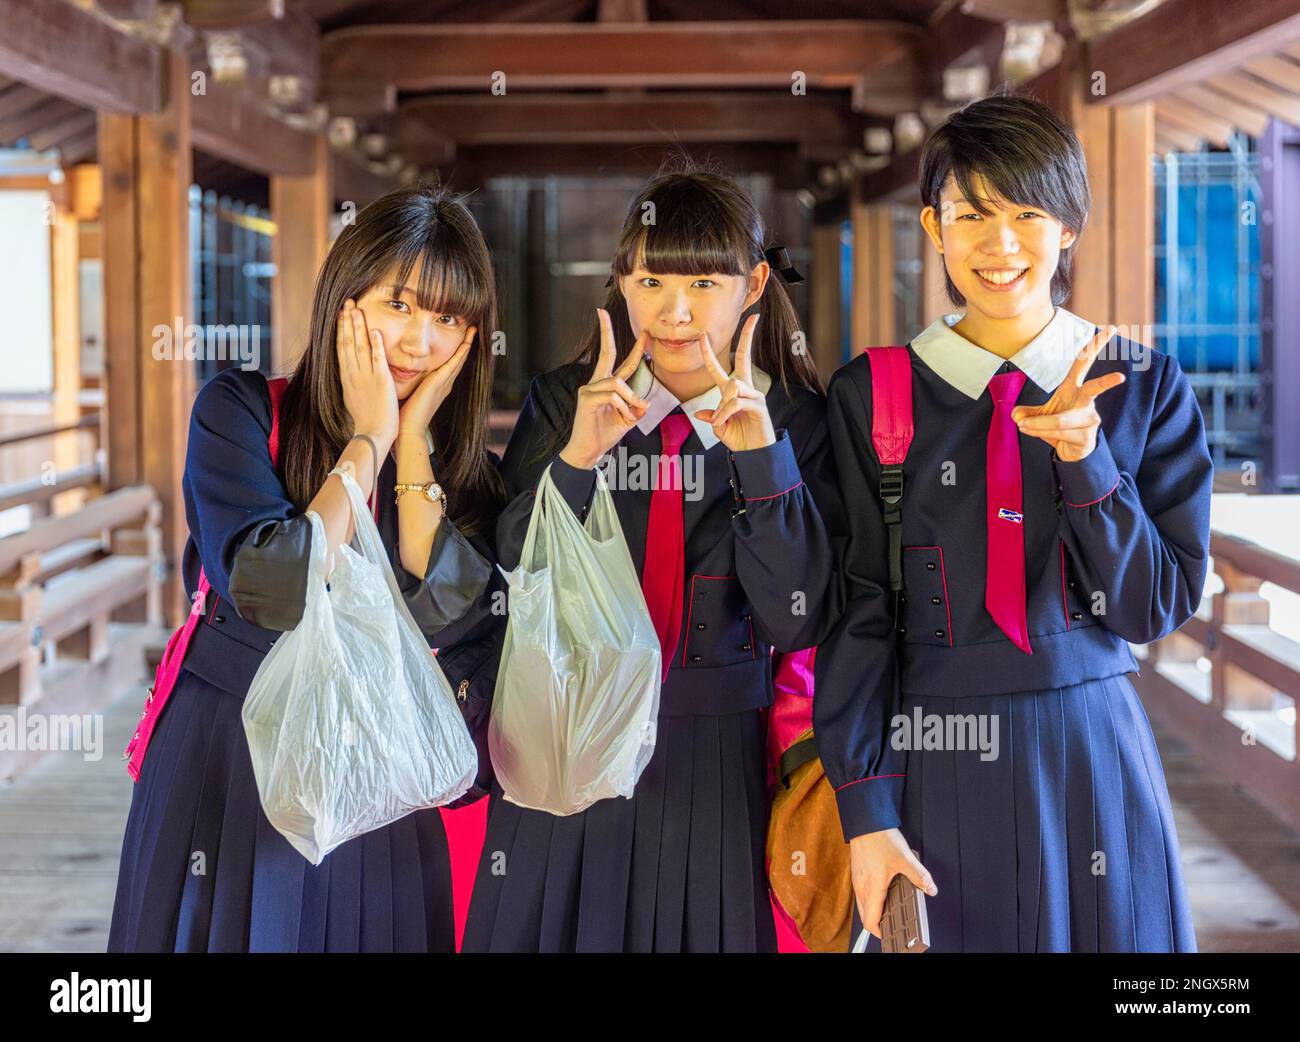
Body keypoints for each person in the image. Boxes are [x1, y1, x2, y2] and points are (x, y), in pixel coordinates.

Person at [815, 93, 1212, 952]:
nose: (1000, 245)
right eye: (974, 214)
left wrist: (1087, 465)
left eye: (1028, 214)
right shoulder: (871, 394)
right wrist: (865, 810)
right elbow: (857, 615)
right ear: (935, 226)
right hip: (930, 757)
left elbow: (1153, 608)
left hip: (1093, 751)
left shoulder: (1140, 385)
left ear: (1069, 226)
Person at [109, 181, 505, 952]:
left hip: (382, 778)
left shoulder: (469, 478)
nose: (421, 341)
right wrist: (368, 443)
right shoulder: (241, 412)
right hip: (229, 757)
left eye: (448, 318)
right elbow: (274, 585)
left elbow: (466, 635)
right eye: (400, 305)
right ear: (343, 298)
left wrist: (413, 446)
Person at [462, 163, 838, 952]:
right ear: (621, 283)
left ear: (755, 284)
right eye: (651, 280)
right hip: (567, 720)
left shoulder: (796, 416)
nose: (675, 312)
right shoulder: (568, 398)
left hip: (717, 752)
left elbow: (797, 613)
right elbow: (510, 571)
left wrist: (762, 464)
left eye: (705, 283)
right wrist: (575, 459)